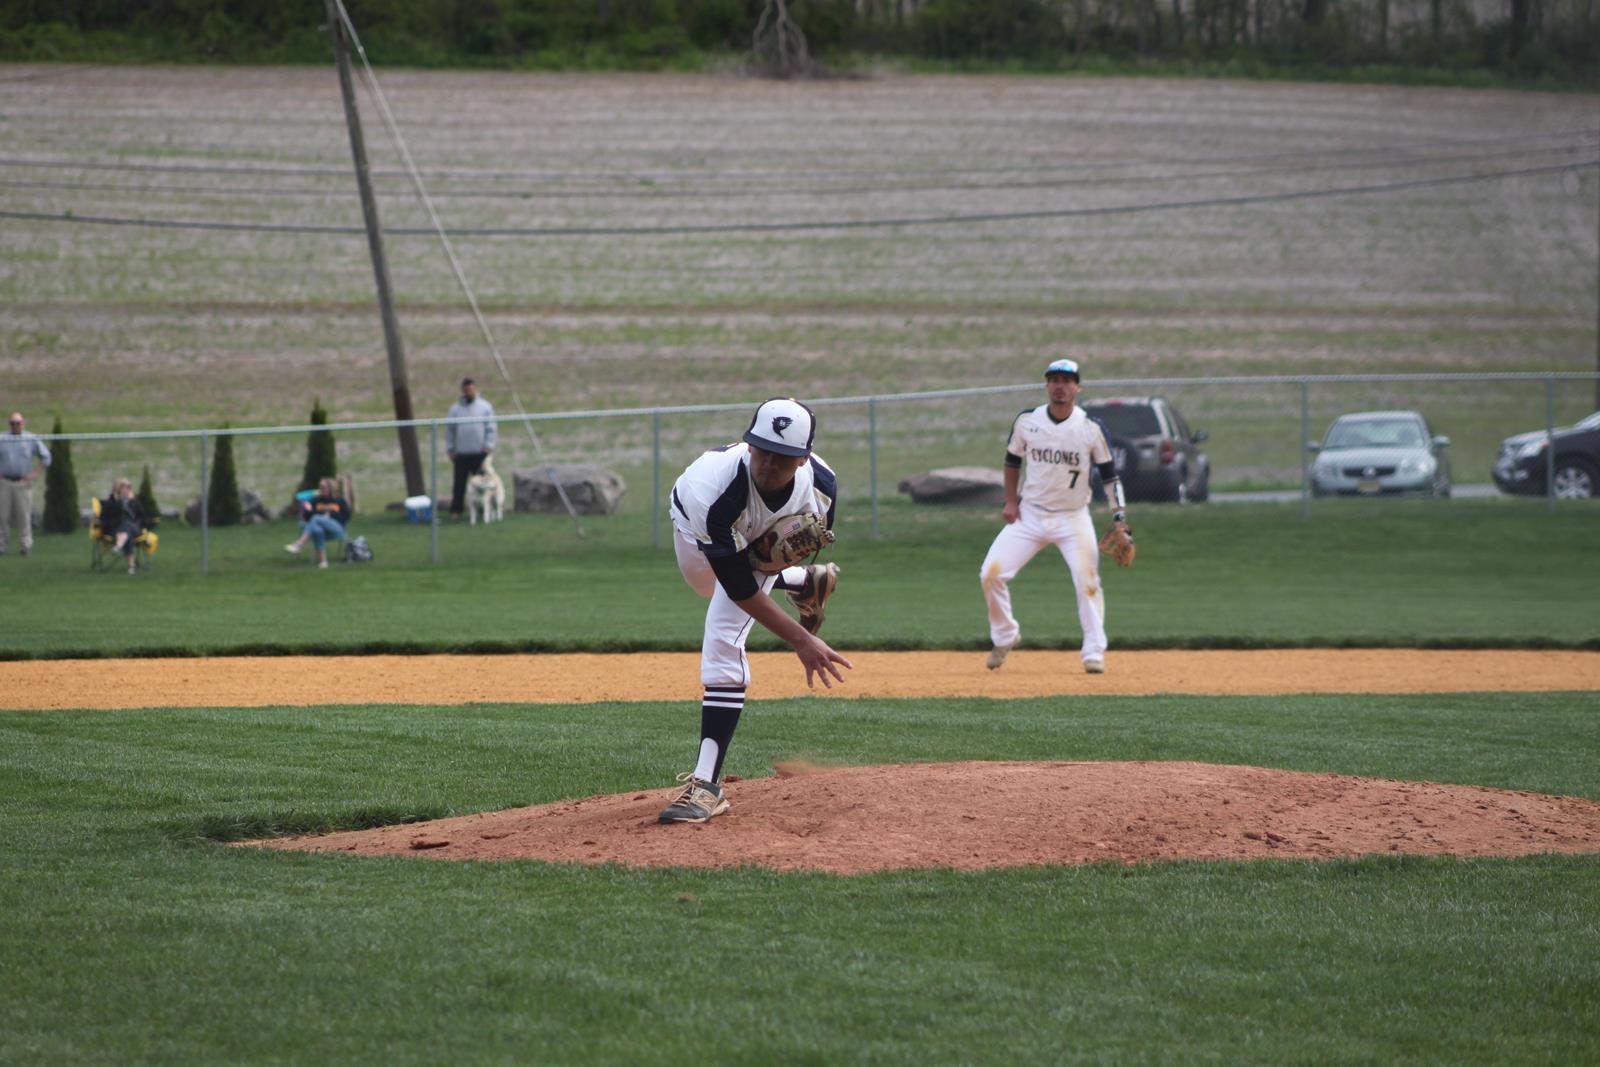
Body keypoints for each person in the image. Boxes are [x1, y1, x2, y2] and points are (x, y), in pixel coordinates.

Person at [659, 397, 852, 825]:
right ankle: (805, 584)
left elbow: (776, 560)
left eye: (782, 457)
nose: (768, 465)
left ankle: (706, 786)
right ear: (749, 445)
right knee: (707, 588)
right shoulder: (713, 492)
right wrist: (801, 639)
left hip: (749, 546)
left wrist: (773, 564)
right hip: (694, 528)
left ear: (803, 459)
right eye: (762, 451)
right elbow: (738, 587)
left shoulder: (821, 488)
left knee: (723, 640)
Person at [980, 358, 1127, 674]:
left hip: (1073, 518)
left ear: (1078, 387)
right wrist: (1010, 501)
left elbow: (1110, 477)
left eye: (1067, 380)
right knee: (990, 574)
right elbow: (1012, 462)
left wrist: (1119, 517)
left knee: (1087, 581)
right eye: (1054, 380)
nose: (1060, 386)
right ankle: (1006, 636)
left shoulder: (1090, 428)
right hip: (1030, 514)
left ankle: (1093, 652)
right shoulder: (1027, 421)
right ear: (1047, 385)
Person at [0, 411, 52, 558]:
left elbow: (46, 457)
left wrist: (34, 474)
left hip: (23, 483)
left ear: (23, 423)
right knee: (2, 516)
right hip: (4, 482)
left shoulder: (30, 439)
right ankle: (1, 545)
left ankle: (25, 546)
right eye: (12, 423)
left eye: (18, 423)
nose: (15, 426)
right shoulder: (2, 438)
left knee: (24, 516)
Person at [445, 377, 497, 520]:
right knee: (459, 484)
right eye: (467, 390)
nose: (469, 392)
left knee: (482, 483)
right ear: (463, 391)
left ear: (475, 389)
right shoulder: (455, 409)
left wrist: (488, 445)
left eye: (471, 389)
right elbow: (450, 431)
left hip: (479, 452)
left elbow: (491, 427)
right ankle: (456, 510)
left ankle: (485, 509)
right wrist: (450, 449)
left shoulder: (485, 407)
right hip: (461, 453)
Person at [284, 476, 351, 569]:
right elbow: (307, 518)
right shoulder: (316, 500)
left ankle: (298, 544)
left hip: (337, 528)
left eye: (323, 487)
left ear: (330, 488)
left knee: (316, 518)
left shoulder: (339, 500)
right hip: (323, 530)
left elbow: (346, 517)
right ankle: (323, 562)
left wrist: (331, 514)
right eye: (320, 487)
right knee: (317, 530)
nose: (321, 489)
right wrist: (310, 510)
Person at [99, 477, 148, 575]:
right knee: (127, 533)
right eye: (123, 488)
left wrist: (139, 524)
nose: (126, 490)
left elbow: (143, 517)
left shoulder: (134, 501)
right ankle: (131, 567)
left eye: (128, 488)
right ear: (118, 489)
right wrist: (119, 503)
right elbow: (104, 517)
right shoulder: (112, 501)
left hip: (135, 528)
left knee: (127, 525)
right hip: (115, 529)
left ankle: (118, 546)